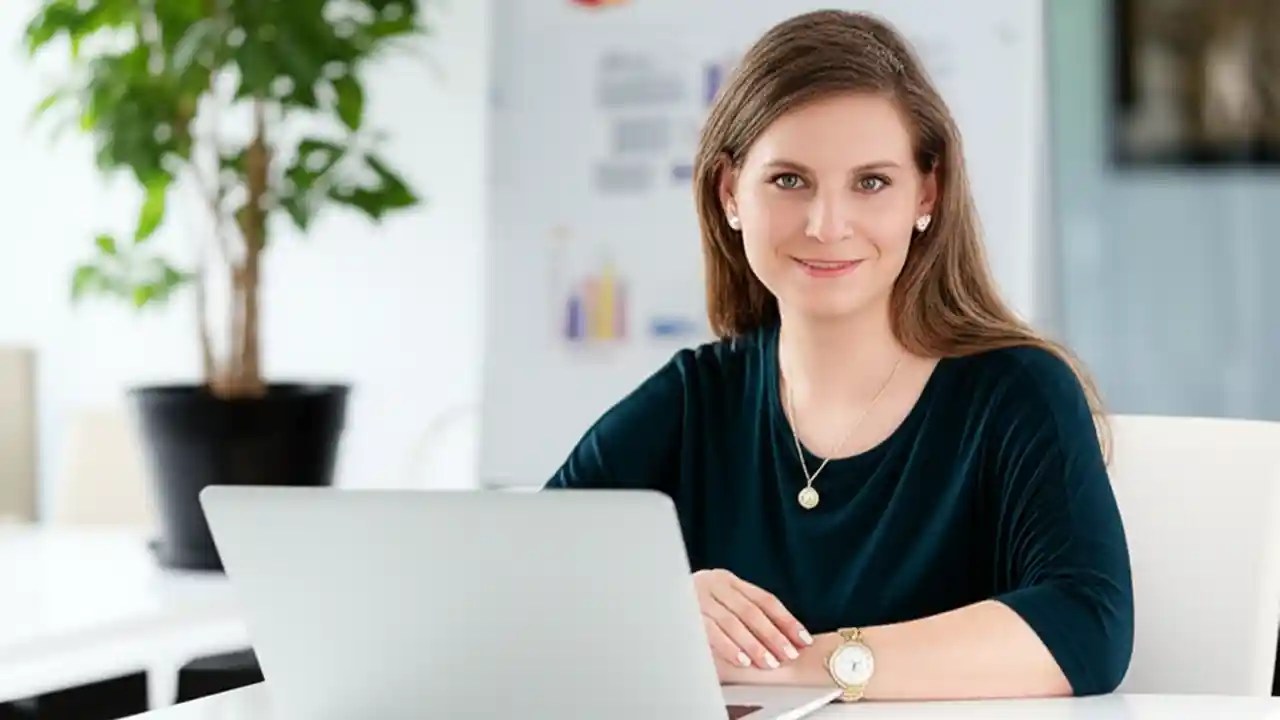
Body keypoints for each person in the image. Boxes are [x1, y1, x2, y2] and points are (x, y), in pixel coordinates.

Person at [544, 9, 1133, 702]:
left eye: (871, 182)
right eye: (789, 180)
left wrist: (804, 663)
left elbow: (1086, 628)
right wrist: (659, 601)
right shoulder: (692, 400)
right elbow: (521, 576)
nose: (827, 225)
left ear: (928, 193)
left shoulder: (1017, 392)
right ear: (731, 192)